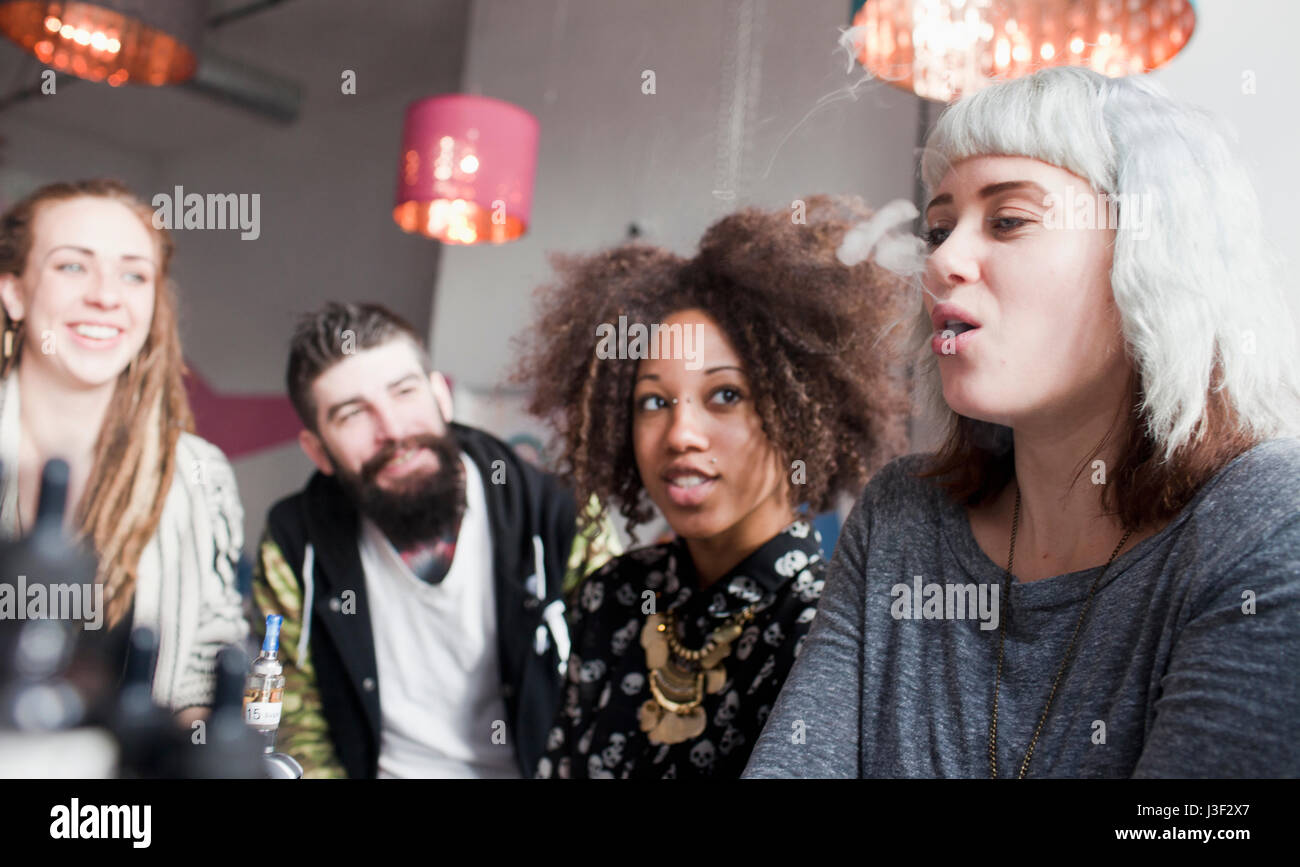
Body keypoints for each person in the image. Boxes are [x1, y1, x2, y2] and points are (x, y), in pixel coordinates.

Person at [744, 66, 1300, 778]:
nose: (942, 260)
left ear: (1153, 254)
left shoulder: (1264, 519)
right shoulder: (902, 518)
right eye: (939, 227)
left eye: (1008, 220)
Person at [514, 198, 910, 778]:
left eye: (725, 394)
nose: (680, 434)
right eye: (654, 401)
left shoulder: (830, 630)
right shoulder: (613, 596)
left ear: (804, 410)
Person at [252, 301, 618, 778]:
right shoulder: (295, 544)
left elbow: (613, 685)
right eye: (352, 414)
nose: (393, 431)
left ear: (442, 397)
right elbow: (296, 720)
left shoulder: (556, 514)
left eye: (404, 393)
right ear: (318, 451)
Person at [0, 180, 246, 718]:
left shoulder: (197, 474)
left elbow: (206, 676)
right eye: (71, 266)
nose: (106, 296)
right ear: (13, 292)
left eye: (134, 274)